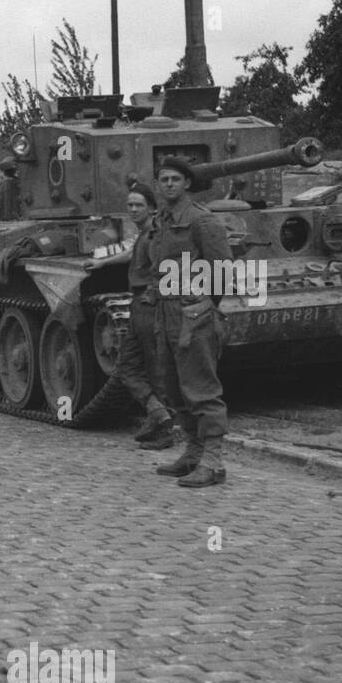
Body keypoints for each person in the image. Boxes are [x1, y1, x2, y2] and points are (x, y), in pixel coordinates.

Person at [147, 156, 232, 488]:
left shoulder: (201, 221)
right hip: (164, 311)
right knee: (172, 387)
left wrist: (205, 307)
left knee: (201, 388)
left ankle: (213, 462)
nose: (169, 184)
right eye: (164, 179)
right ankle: (193, 453)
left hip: (192, 314)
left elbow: (222, 269)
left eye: (175, 179)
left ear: (187, 184)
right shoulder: (161, 221)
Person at [117, 181, 175, 450]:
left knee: (154, 370)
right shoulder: (146, 232)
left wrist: (153, 295)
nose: (133, 209)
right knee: (128, 366)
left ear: (151, 208)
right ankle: (157, 414)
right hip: (141, 305)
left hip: (149, 305)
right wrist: (102, 262)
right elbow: (132, 254)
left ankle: (163, 428)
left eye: (139, 205)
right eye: (130, 205)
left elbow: (162, 267)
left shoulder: (154, 234)